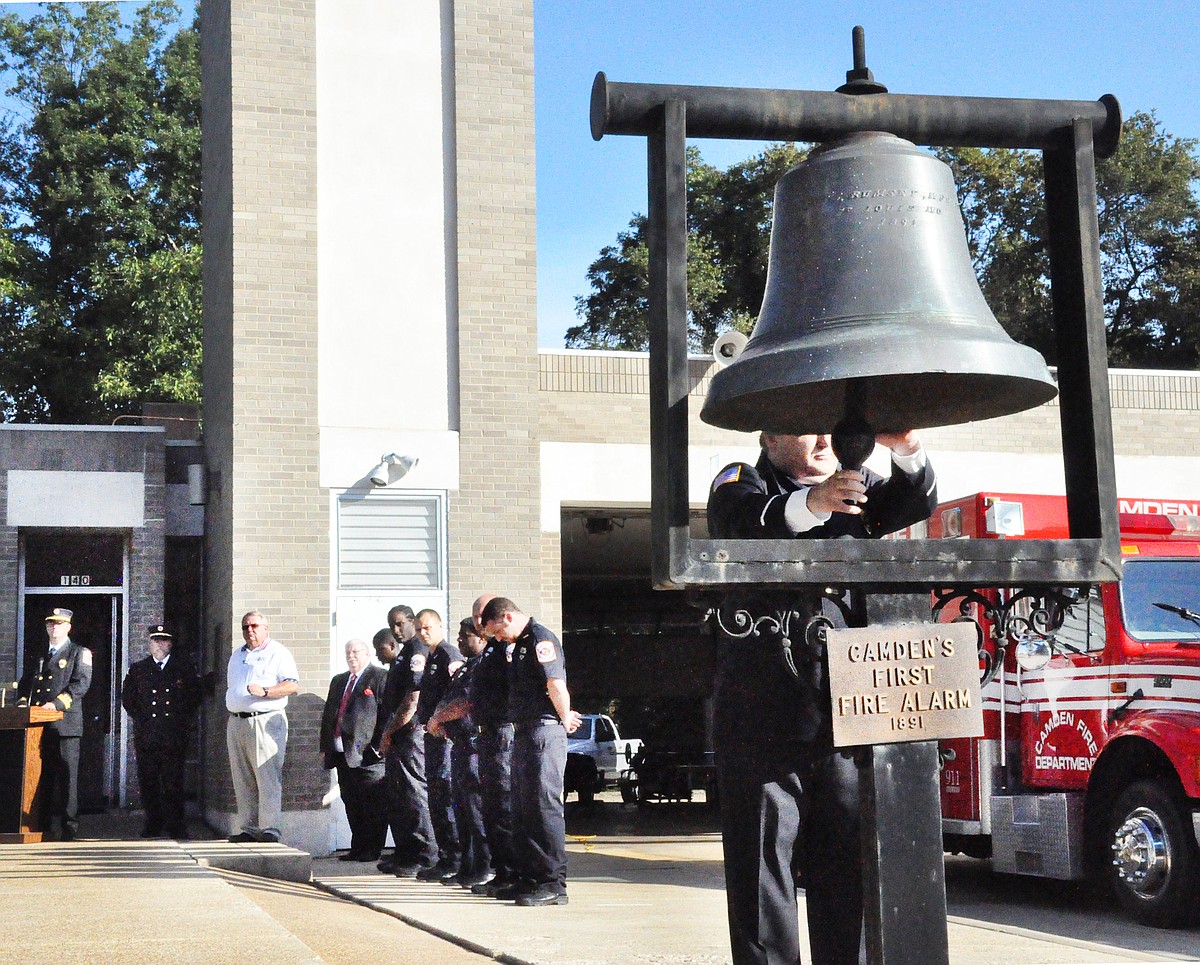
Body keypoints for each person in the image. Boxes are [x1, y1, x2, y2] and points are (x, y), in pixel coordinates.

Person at [707, 430, 937, 965]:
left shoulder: (858, 485)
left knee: (849, 886)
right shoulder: (742, 481)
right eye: (802, 425)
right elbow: (741, 520)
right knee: (763, 887)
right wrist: (813, 502)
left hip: (847, 721)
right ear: (768, 437)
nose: (821, 438)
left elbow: (912, 500)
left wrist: (906, 446)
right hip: (763, 725)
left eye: (827, 425)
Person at [480, 596, 580, 907]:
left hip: (543, 730)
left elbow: (554, 682)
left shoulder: (540, 638)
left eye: (496, 631)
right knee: (522, 809)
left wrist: (565, 717)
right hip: (524, 731)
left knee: (542, 808)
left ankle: (552, 884)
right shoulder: (518, 644)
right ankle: (529, 878)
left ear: (507, 617)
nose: (498, 638)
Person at [224, 610, 300, 844]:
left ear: (266, 628)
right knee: (242, 777)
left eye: (255, 626)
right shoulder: (237, 655)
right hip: (237, 722)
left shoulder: (277, 652)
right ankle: (248, 828)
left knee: (266, 777)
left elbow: (291, 685)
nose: (250, 630)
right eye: (246, 627)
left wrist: (266, 692)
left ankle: (269, 829)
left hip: (265, 720)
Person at [17, 607, 92, 841]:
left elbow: (80, 684)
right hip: (38, 727)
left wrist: (56, 705)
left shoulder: (79, 652)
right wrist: (22, 703)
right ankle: (42, 826)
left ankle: (70, 828)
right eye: (50, 624)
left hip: (65, 724)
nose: (54, 628)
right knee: (42, 776)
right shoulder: (40, 654)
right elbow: (26, 683)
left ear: (68, 627)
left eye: (59, 624)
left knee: (68, 778)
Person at [120, 624, 200, 839]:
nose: (159, 644)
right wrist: (143, 719)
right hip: (148, 734)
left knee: (174, 781)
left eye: (164, 640)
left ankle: (176, 824)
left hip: (173, 734)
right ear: (149, 643)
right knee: (149, 781)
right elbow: (128, 698)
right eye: (155, 640)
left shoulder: (183, 668)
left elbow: (193, 698)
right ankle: (153, 822)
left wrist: (180, 720)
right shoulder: (138, 669)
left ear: (171, 643)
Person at [428, 617, 491, 887]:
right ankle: (466, 866)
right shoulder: (466, 668)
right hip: (459, 746)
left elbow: (466, 702)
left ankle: (484, 867)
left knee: (476, 812)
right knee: (462, 811)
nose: (459, 640)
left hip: (475, 746)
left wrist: (439, 719)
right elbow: (448, 698)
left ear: (481, 637)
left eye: (465, 635)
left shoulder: (483, 666)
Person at [377, 604, 438, 876]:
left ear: (412, 621)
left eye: (400, 623)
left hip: (410, 734)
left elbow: (412, 699)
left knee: (413, 794)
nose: (396, 630)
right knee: (398, 795)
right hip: (399, 734)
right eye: (392, 625)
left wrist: (389, 732)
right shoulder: (403, 653)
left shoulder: (417, 651)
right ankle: (405, 852)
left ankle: (424, 854)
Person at [320, 638, 388, 861]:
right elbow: (329, 715)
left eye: (356, 651)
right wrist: (325, 746)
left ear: (367, 654)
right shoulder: (339, 681)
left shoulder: (378, 677)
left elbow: (386, 715)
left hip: (368, 756)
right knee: (352, 802)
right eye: (348, 652)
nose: (351, 656)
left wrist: (378, 748)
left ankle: (372, 849)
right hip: (342, 754)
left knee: (373, 805)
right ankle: (358, 847)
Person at [467, 592, 515, 896]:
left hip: (502, 733)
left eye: (481, 617)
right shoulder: (490, 650)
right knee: (492, 808)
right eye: (474, 618)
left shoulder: (506, 648)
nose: (478, 623)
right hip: (486, 734)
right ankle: (500, 872)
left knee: (504, 806)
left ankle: (511, 872)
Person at [411, 608, 464, 883]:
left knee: (444, 796)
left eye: (428, 627)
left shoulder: (448, 654)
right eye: (419, 629)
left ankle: (454, 858)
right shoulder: (430, 656)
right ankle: (445, 856)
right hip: (430, 737)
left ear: (440, 626)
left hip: (443, 737)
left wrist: (440, 718)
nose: (423, 633)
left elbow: (457, 692)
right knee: (435, 795)